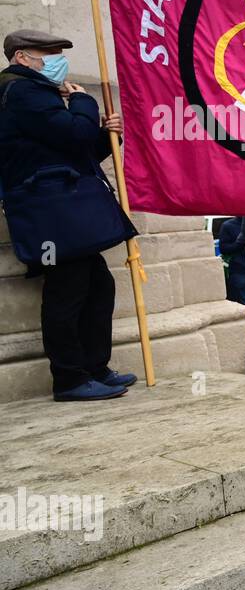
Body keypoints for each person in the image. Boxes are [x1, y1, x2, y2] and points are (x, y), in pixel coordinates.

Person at [0, 28, 137, 400]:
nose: (57, 59)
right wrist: (85, 102)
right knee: (67, 291)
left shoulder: (37, 93)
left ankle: (94, 368)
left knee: (96, 285)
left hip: (62, 211)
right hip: (51, 214)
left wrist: (108, 137)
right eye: (47, 52)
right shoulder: (24, 92)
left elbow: (77, 153)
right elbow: (74, 135)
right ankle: (70, 379)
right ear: (21, 57)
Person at [218, 216, 245, 306]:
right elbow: (223, 249)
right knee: (242, 306)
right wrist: (239, 243)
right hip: (239, 271)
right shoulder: (228, 226)